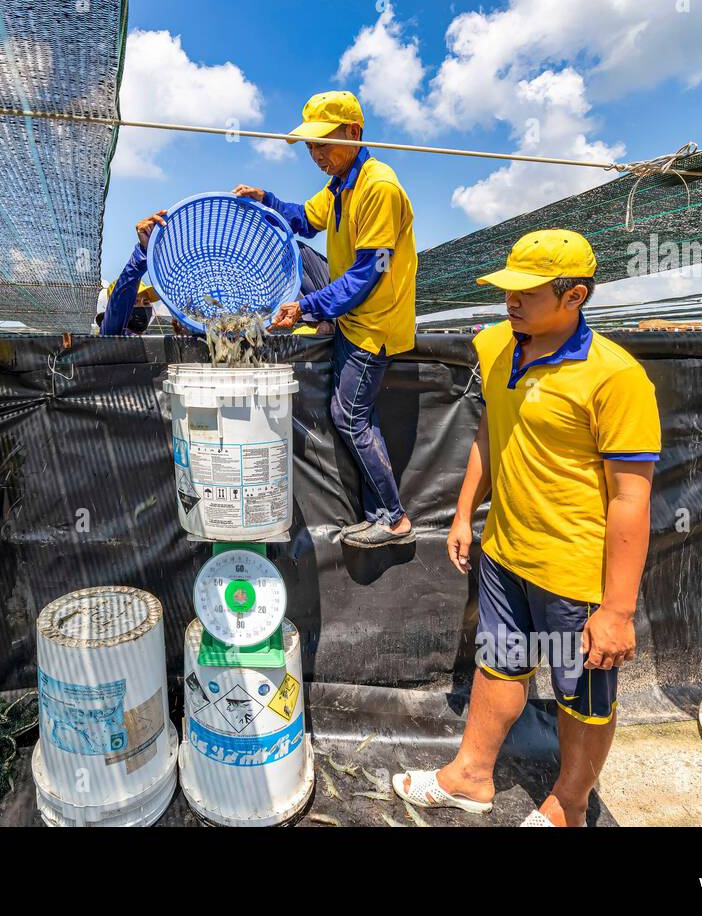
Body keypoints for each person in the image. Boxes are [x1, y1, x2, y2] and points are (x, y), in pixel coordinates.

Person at [393, 230, 660, 826]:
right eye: (507, 290)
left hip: (572, 574)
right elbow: (491, 428)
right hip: (507, 557)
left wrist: (616, 610)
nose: (509, 303)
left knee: (582, 697)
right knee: (500, 664)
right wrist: (466, 514)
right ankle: (470, 776)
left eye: (527, 293)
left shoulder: (615, 379)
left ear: (575, 297)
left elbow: (630, 498)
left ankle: (569, 802)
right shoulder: (497, 345)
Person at [233, 89, 417, 548]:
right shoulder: (340, 185)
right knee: (291, 245)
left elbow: (368, 274)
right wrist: (266, 199)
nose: (316, 155)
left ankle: (393, 518)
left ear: (354, 133)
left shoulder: (378, 187)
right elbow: (303, 220)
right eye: (311, 147)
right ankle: (377, 512)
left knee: (349, 414)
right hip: (349, 314)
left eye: (324, 144)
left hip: (374, 324)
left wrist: (309, 308)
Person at [98, 211, 167, 335]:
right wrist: (144, 250)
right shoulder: (112, 333)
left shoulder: (151, 340)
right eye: (134, 302)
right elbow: (123, 294)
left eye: (146, 302)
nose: (142, 307)